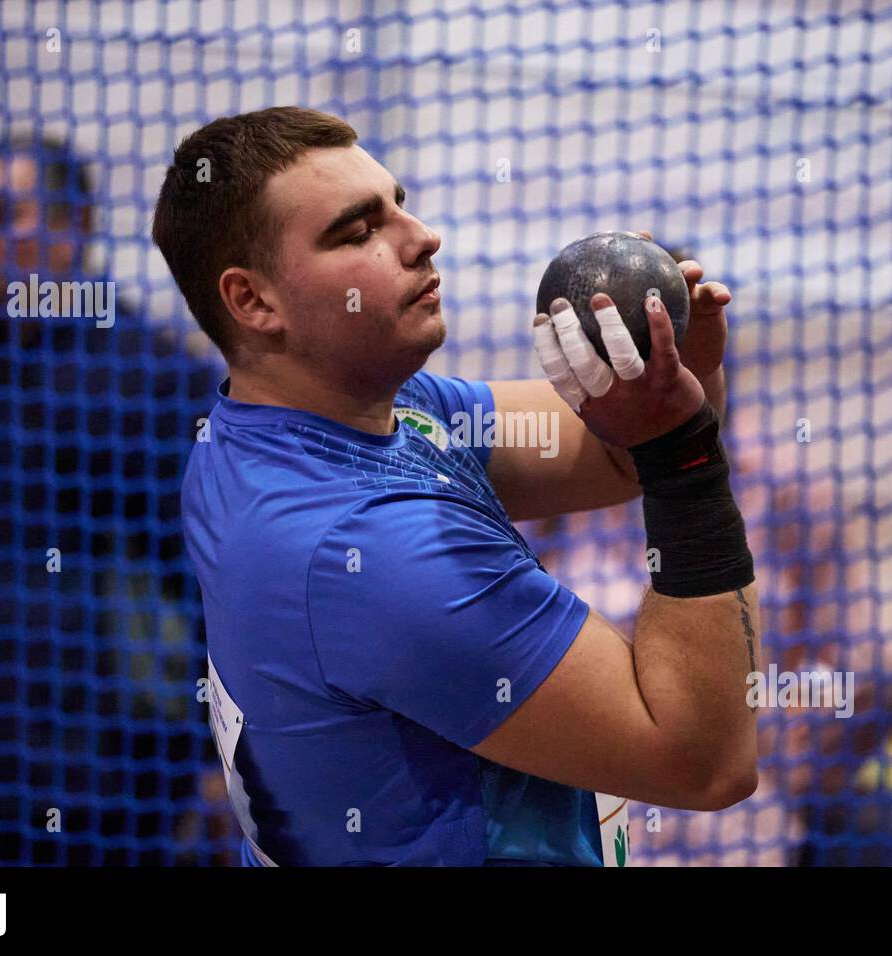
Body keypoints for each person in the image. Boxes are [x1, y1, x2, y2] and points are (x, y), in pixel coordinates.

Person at [151, 105, 760, 866]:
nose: (421, 236)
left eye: (399, 203)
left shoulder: (326, 414)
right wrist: (687, 455)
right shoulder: (370, 551)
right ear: (252, 301)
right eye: (358, 230)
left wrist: (673, 381)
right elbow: (706, 762)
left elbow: (611, 455)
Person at [0, 133, 226, 864]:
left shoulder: (149, 385)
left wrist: (221, 759)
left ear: (72, 228)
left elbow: (210, 585)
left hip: (91, 792)